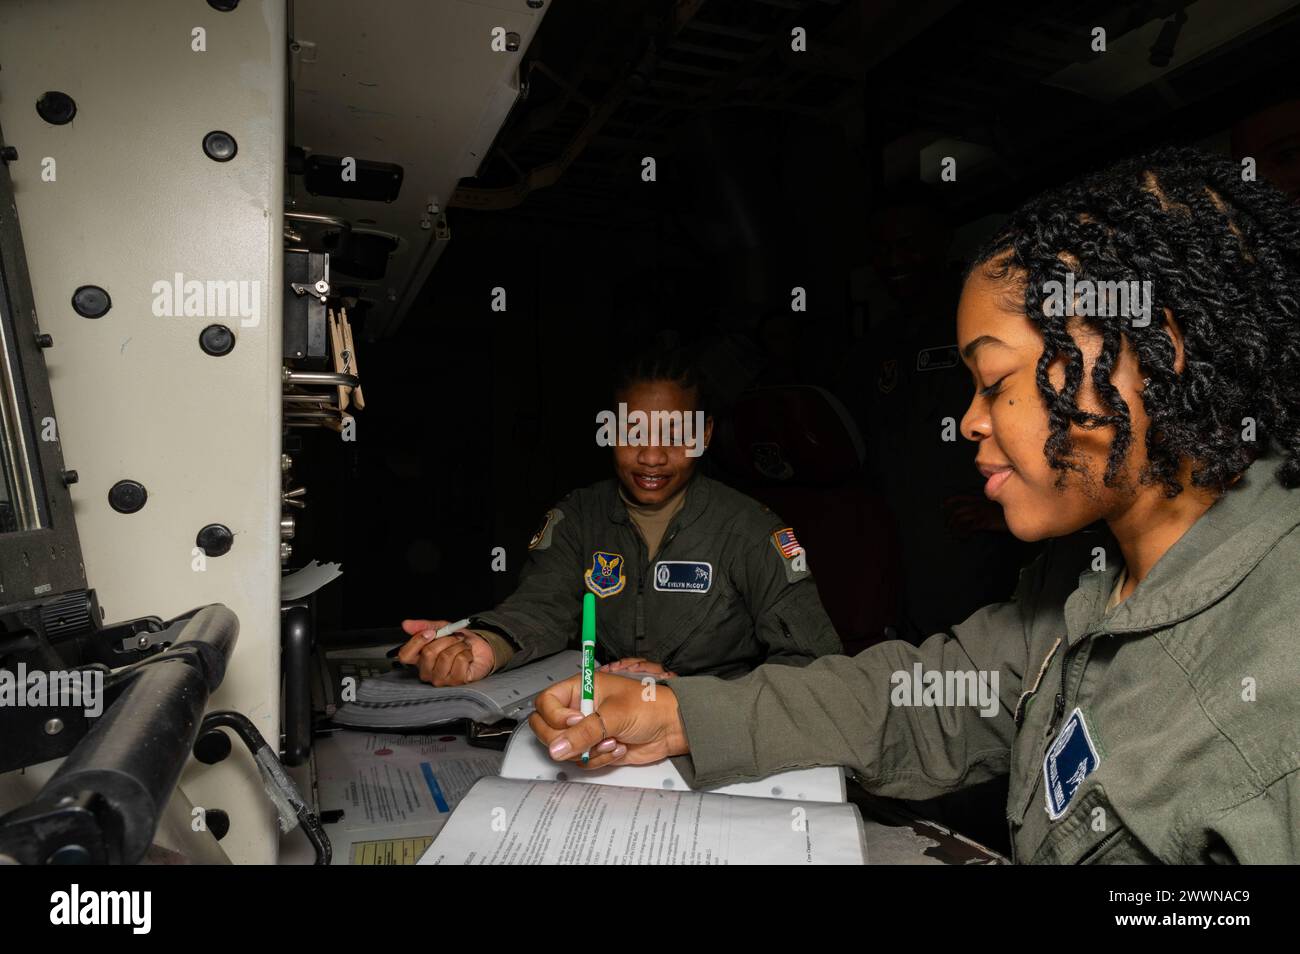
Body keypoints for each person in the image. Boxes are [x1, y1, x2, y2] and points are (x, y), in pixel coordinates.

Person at [529, 147, 1300, 863]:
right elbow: (922, 701)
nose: (968, 419)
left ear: (1153, 355)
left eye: (994, 382)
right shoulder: (1088, 573)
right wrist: (676, 714)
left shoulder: (1277, 672)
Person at [396, 349, 842, 686]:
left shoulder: (750, 530)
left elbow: (813, 662)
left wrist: (686, 696)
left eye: (674, 435)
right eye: (633, 432)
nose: (651, 456)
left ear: (704, 435)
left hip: (715, 738)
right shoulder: (578, 518)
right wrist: (486, 644)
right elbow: (542, 607)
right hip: (603, 725)